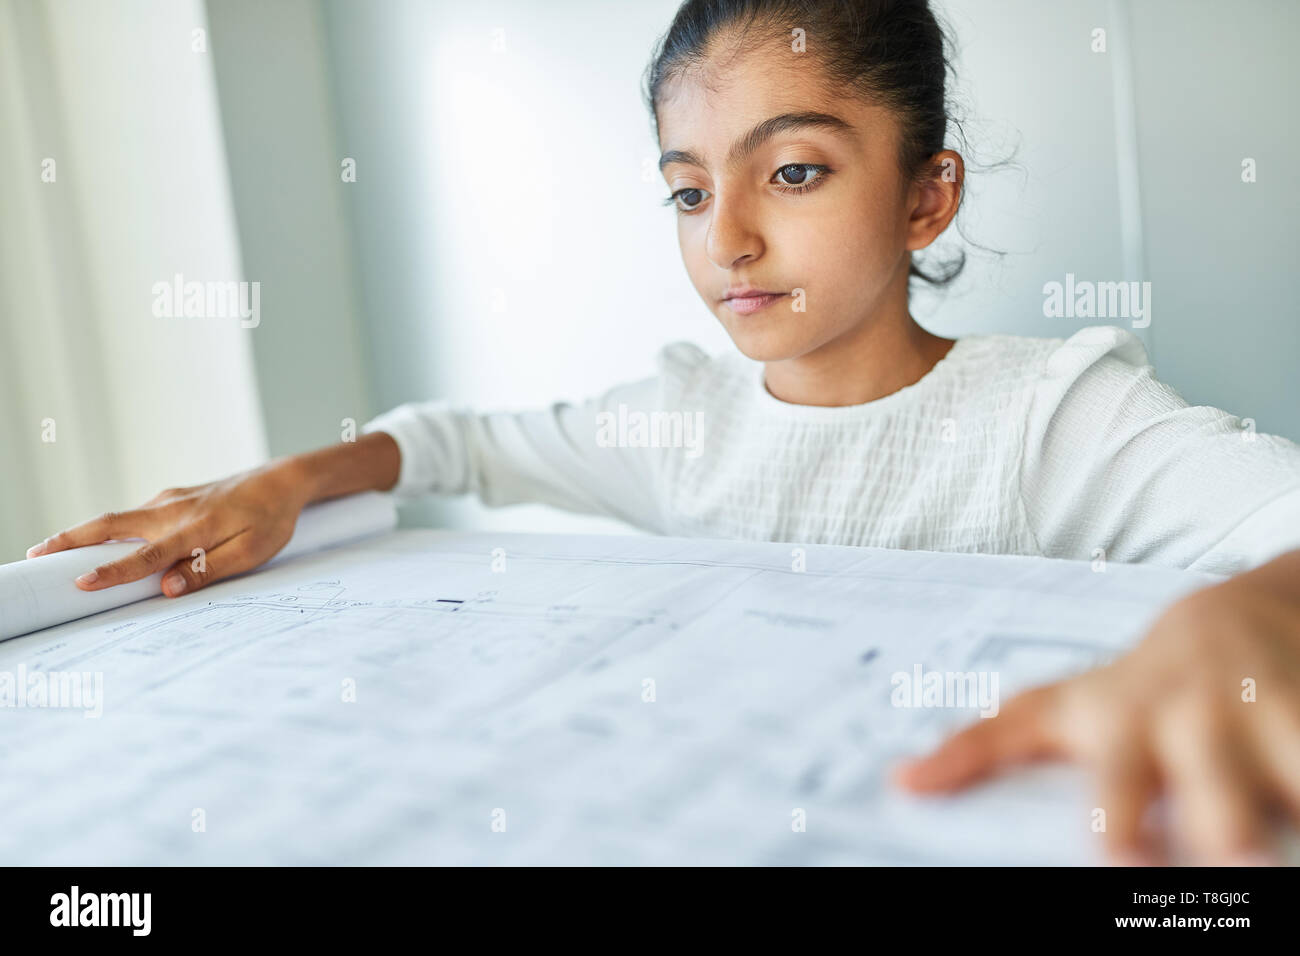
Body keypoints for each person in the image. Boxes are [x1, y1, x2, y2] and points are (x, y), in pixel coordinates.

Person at [28, 0, 1300, 865]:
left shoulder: (1051, 415)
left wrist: (1237, 614)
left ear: (927, 195)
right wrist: (289, 477)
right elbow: (454, 442)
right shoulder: (682, 416)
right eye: (688, 189)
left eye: (791, 171)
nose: (726, 236)